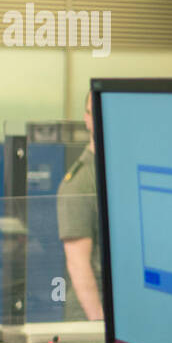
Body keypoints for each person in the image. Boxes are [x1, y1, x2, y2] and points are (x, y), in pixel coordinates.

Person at [57, 90, 104, 321]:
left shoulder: (120, 172)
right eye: (96, 113)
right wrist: (99, 324)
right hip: (91, 314)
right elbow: (78, 264)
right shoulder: (80, 182)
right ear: (87, 119)